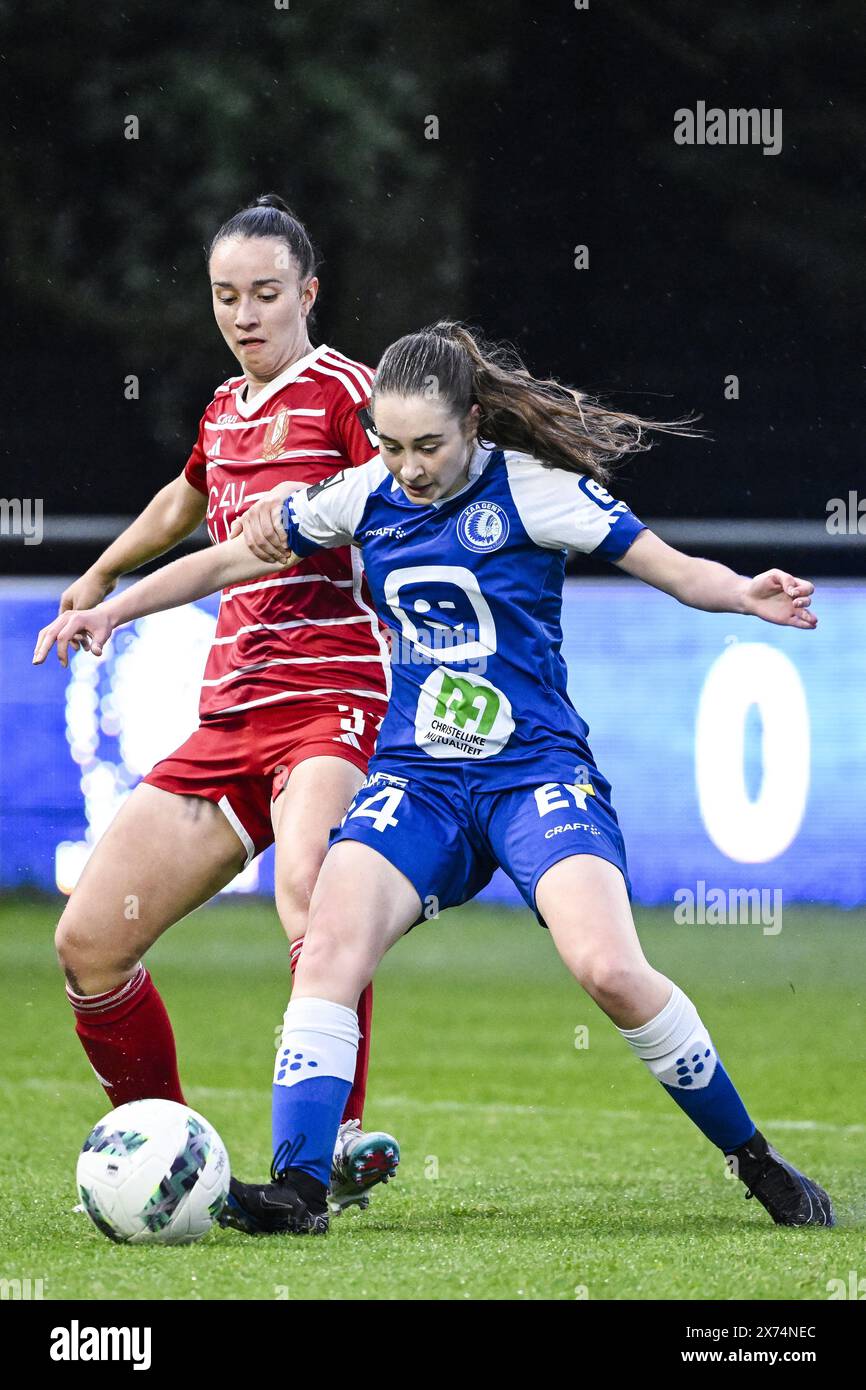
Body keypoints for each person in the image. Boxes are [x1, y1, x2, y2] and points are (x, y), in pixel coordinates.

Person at [35, 321, 833, 1238]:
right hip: (418, 781)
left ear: (475, 422)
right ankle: (302, 1187)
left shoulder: (536, 493)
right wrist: (113, 605)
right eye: (389, 444)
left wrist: (745, 592)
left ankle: (754, 1158)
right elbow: (231, 558)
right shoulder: (361, 494)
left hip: (534, 776)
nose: (407, 467)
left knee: (609, 969)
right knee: (329, 940)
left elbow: (671, 568)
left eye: (428, 447)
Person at [43, 195, 399, 1215]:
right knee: (87, 943)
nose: (245, 315)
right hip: (228, 718)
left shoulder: (346, 394)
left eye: (266, 294)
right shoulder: (223, 409)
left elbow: (415, 489)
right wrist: (101, 575)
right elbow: (184, 498)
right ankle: (165, 1156)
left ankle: (330, 1147)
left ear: (309, 294)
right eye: (226, 296)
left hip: (331, 694)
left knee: (313, 899)